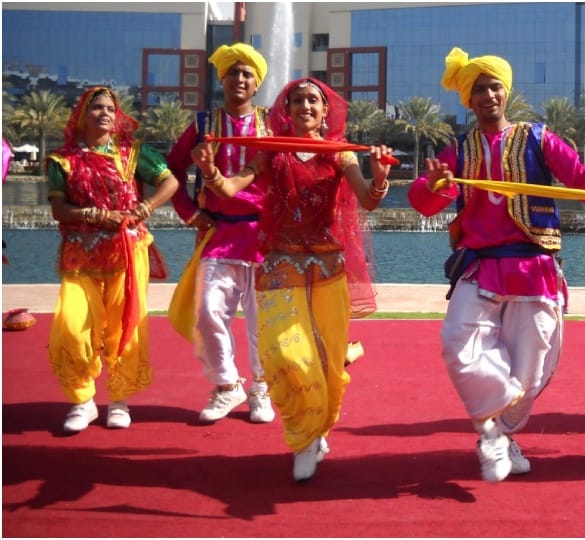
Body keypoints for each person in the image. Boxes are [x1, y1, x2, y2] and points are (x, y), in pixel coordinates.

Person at [408, 47, 585, 483]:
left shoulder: (539, 138)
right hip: (479, 267)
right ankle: (490, 426)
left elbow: (578, 177)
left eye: (494, 86)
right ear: (468, 99)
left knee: (531, 371)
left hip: (534, 267)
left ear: (506, 92)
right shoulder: (457, 151)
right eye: (478, 89)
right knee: (456, 343)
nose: (487, 95)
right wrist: (434, 186)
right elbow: (424, 204)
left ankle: (498, 435)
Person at [190, 77, 392, 482]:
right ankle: (303, 437)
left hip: (328, 270)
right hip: (280, 266)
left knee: (328, 364)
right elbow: (230, 188)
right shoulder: (272, 151)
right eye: (297, 99)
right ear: (287, 109)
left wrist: (381, 174)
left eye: (313, 100)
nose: (305, 105)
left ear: (324, 111)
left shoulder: (340, 154)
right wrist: (211, 172)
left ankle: (319, 433)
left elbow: (368, 198)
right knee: (285, 354)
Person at [46, 87, 178, 432]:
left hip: (126, 250)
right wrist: (93, 215)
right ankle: (83, 400)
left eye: (110, 108)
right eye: (97, 108)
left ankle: (119, 400)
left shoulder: (134, 154)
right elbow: (59, 210)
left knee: (124, 327)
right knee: (73, 328)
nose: (105, 114)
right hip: (81, 253)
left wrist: (144, 208)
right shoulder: (63, 160)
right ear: (82, 115)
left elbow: (171, 182)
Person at [167, 43, 275, 424]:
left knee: (263, 320)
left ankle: (261, 389)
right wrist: (189, 212)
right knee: (207, 312)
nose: (240, 79)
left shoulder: (272, 124)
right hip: (218, 233)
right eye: (234, 72)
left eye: (247, 73)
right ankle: (227, 386)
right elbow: (170, 172)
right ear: (223, 79)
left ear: (256, 82)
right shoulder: (201, 124)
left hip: (265, 236)